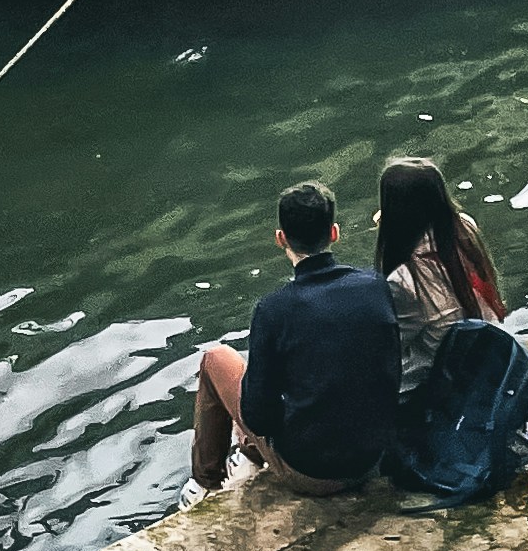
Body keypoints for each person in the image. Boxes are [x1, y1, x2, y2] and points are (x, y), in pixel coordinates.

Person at [191, 178, 400, 493]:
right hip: (375, 457)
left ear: (280, 238)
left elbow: (258, 418)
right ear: (334, 232)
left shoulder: (273, 310)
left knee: (217, 360)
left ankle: (206, 484)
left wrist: (250, 421)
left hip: (314, 472)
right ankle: (246, 454)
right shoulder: (375, 286)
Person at [375, 157, 507, 402]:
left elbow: (393, 346)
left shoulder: (405, 279)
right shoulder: (465, 227)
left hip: (440, 378)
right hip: (485, 355)